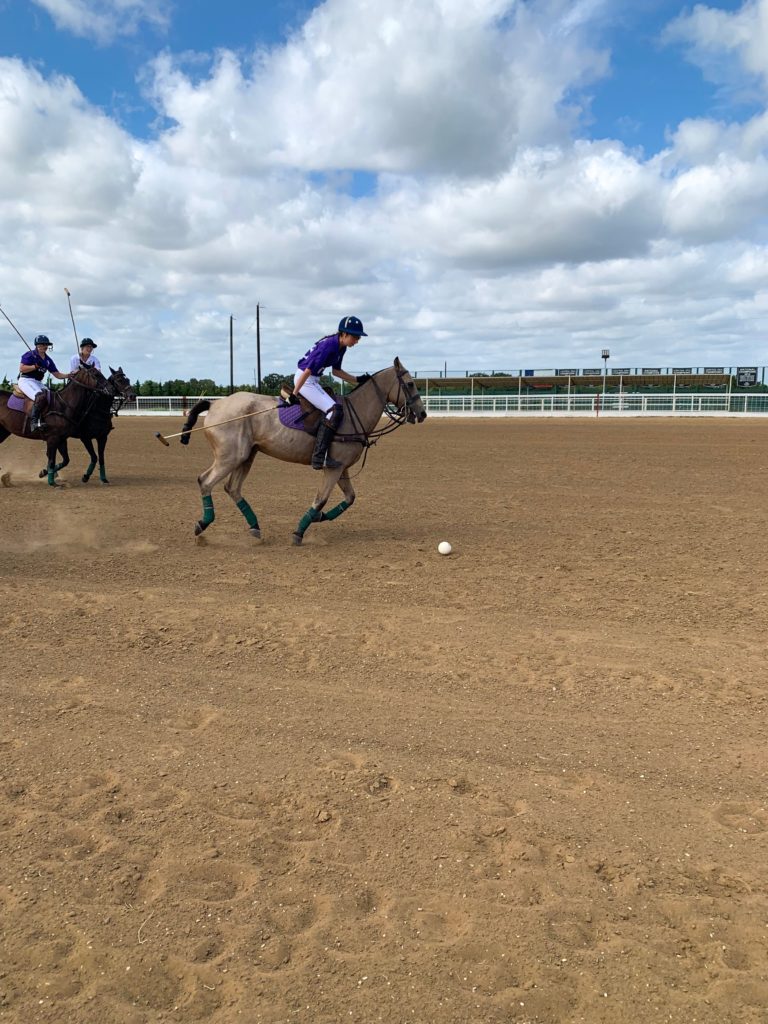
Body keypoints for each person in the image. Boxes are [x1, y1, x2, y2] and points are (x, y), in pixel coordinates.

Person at [291, 315, 372, 470]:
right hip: (305, 380)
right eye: (355, 337)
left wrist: (357, 380)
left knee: (334, 408)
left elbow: (336, 372)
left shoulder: (341, 347)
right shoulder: (329, 345)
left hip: (312, 380)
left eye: (358, 338)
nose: (357, 341)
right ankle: (318, 457)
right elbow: (308, 371)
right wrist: (294, 394)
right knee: (334, 411)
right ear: (344, 334)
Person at [17, 335, 69, 432]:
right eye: (41, 344)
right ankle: (34, 423)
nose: (44, 346)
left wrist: (69, 375)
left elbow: (57, 374)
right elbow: (22, 368)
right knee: (40, 397)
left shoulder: (48, 360)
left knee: (53, 396)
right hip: (26, 380)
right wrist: (35, 366)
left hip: (37, 382)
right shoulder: (30, 355)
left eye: (45, 345)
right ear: (36, 345)